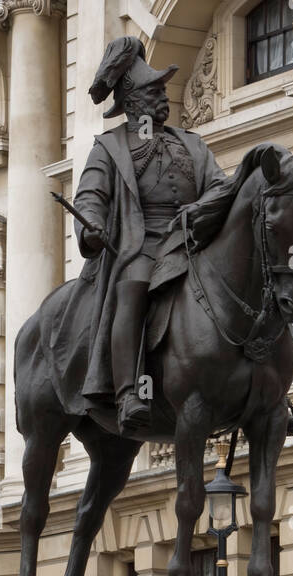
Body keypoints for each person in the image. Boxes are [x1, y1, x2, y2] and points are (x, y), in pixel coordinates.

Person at [71, 36, 229, 432]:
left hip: (192, 241)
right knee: (134, 286)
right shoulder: (109, 147)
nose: (163, 95)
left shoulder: (191, 143)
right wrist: (90, 226)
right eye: (153, 89)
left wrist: (200, 210)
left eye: (161, 89)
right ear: (131, 98)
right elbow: (90, 196)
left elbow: (220, 187)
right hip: (141, 244)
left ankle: (267, 389)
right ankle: (128, 393)